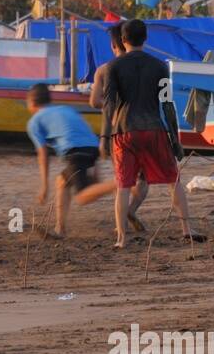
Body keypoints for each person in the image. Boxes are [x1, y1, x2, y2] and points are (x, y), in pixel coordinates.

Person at [104, 19, 204, 249]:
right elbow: (168, 104)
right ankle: (186, 229)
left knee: (123, 185)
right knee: (173, 180)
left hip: (124, 131)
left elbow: (109, 105)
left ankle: (121, 238)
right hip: (154, 128)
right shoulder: (160, 66)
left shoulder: (114, 67)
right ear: (146, 38)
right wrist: (175, 138)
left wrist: (106, 136)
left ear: (122, 40)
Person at [78, 22, 150, 232]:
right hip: (143, 127)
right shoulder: (145, 65)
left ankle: (121, 226)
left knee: (123, 179)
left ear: (113, 45)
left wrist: (115, 106)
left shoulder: (104, 70)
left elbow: (94, 102)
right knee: (143, 179)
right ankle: (132, 209)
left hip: (116, 131)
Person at [26, 83, 101, 239]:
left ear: (31, 103)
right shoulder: (66, 109)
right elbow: (87, 133)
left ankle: (118, 185)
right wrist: (96, 166)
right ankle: (60, 229)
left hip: (75, 152)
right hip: (92, 148)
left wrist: (44, 187)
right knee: (62, 181)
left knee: (82, 196)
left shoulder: (35, 121)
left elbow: (43, 155)